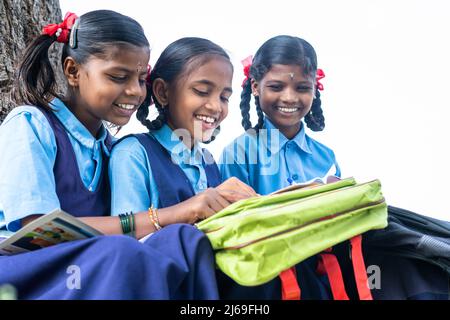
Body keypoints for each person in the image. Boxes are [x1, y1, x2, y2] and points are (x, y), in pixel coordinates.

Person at [0, 10, 219, 300]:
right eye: (118, 76)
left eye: (141, 79)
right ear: (73, 71)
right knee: (123, 251)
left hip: (86, 267)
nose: (134, 91)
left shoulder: (111, 151)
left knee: (182, 241)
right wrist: (172, 214)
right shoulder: (31, 123)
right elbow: (39, 231)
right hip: (27, 273)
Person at [219, 35, 341, 299]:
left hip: (320, 279)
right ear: (255, 86)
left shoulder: (326, 157)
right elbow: (235, 230)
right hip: (263, 282)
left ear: (314, 89)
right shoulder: (238, 153)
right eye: (276, 86)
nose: (289, 97)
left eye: (301, 88)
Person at [109, 37, 257, 226]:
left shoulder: (208, 162)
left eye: (224, 97)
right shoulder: (133, 154)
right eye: (202, 91)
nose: (215, 107)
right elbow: (125, 238)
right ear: (163, 92)